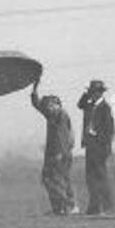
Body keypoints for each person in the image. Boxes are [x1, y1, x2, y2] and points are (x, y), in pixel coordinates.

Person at [30, 71, 77, 216]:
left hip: (59, 153)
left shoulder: (60, 115)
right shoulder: (53, 114)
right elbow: (37, 104)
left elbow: (62, 137)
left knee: (54, 179)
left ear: (56, 105)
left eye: (49, 105)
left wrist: (59, 153)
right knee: (58, 179)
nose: (46, 107)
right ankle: (61, 207)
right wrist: (35, 88)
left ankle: (67, 206)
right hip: (59, 153)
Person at [77, 78, 115, 216]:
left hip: (100, 147)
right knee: (90, 177)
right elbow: (79, 104)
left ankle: (106, 206)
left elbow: (110, 130)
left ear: (100, 93)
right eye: (91, 92)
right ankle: (94, 206)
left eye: (94, 92)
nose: (92, 94)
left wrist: (104, 147)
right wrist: (86, 92)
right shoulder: (89, 104)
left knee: (100, 176)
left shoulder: (106, 108)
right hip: (90, 145)